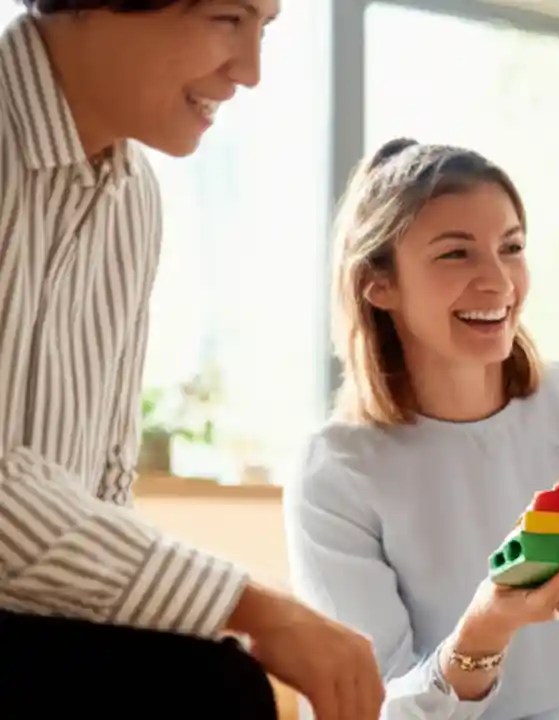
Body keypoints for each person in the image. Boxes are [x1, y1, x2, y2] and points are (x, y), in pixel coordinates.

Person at [0, 3, 382, 719]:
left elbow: (100, 489)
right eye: (226, 18)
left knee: (204, 680)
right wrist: (252, 604)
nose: (251, 71)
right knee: (209, 689)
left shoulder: (131, 199)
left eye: (263, 29)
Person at [283, 139, 559, 719]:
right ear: (378, 283)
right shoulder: (336, 470)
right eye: (455, 254)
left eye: (511, 247)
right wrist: (487, 627)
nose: (498, 281)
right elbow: (375, 710)